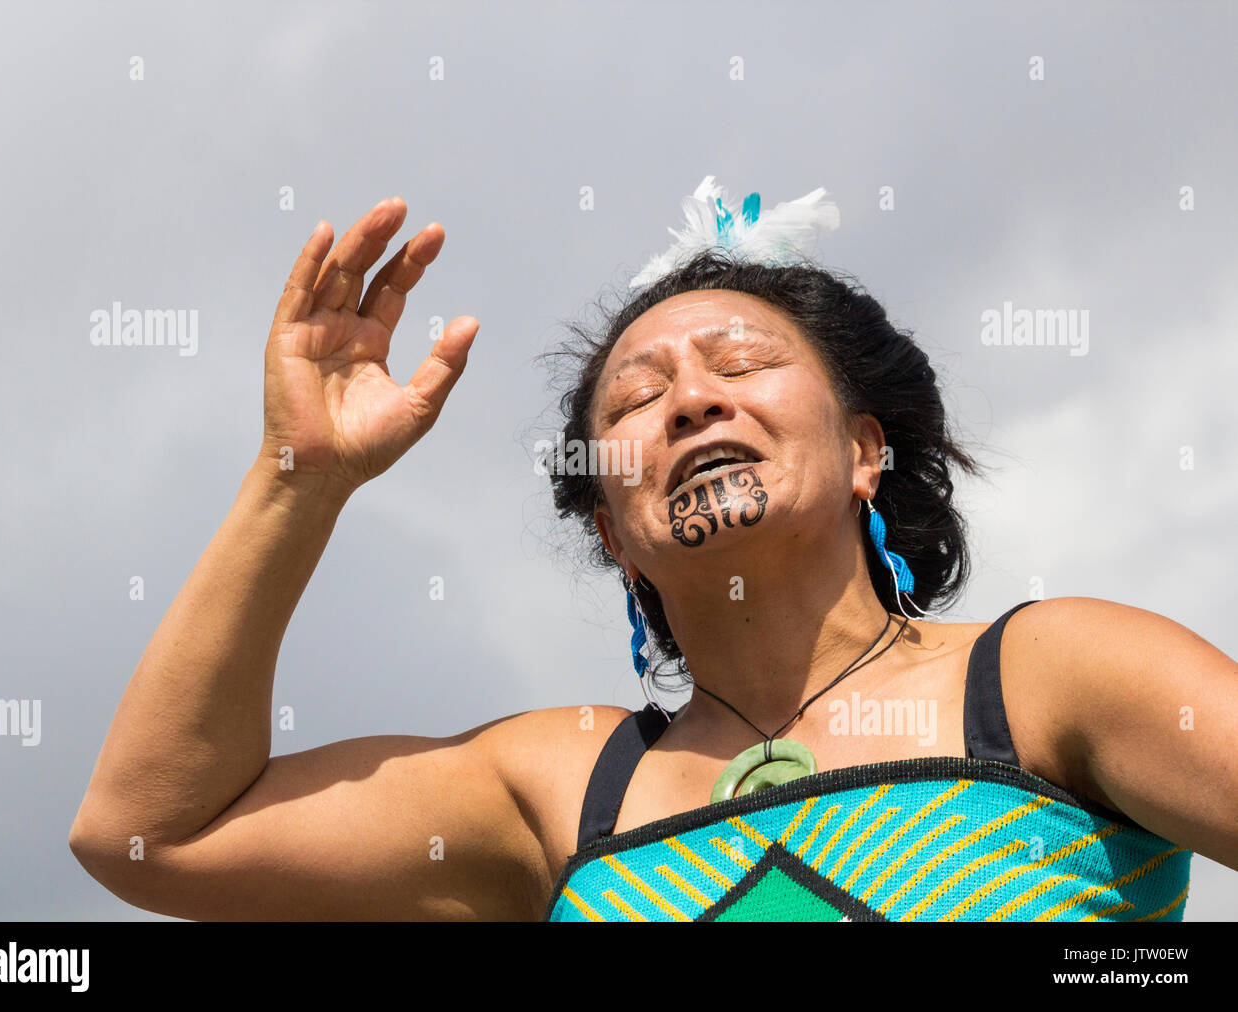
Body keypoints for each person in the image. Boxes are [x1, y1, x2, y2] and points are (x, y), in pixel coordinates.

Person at [68, 180, 1238, 922]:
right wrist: (297, 479)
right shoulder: (555, 789)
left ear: (864, 449)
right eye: (635, 399)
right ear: (608, 528)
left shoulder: (1051, 677)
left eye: (738, 367)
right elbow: (151, 833)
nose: (687, 404)